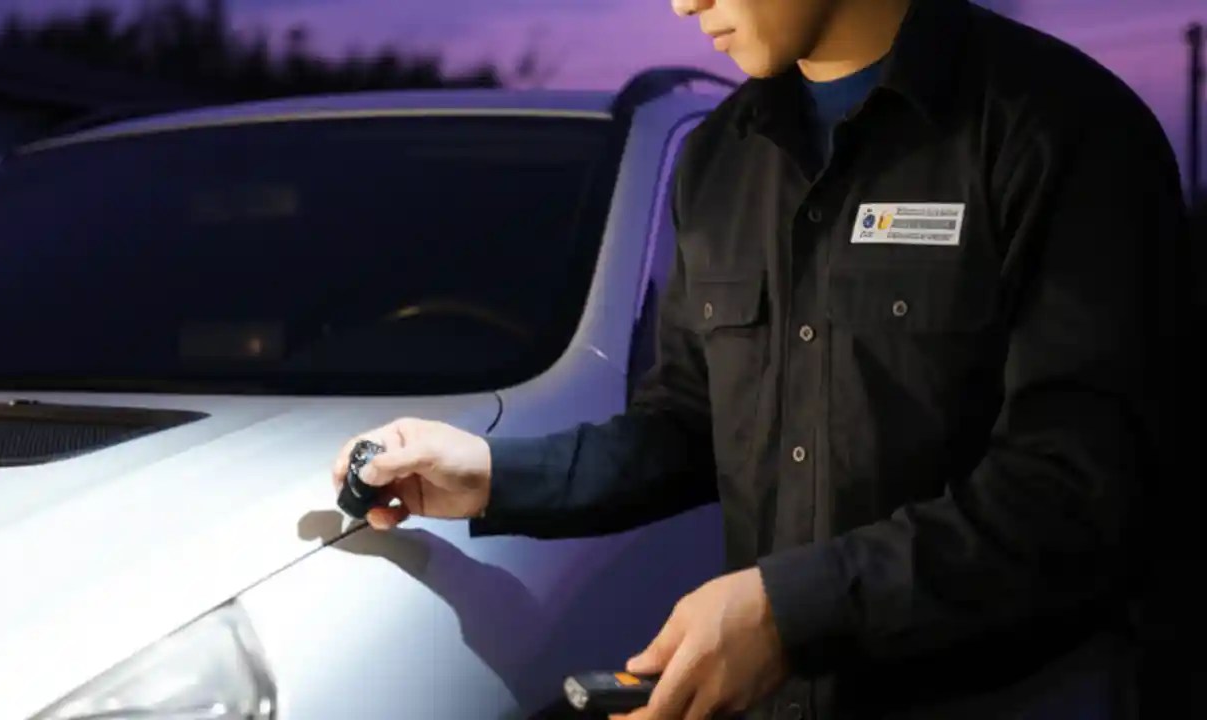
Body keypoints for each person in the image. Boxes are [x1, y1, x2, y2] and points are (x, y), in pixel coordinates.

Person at [331, 0, 1189, 717]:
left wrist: (795, 610)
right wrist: (490, 471)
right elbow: (691, 424)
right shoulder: (720, 159)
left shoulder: (1059, 127)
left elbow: (1078, 488)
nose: (681, 1)